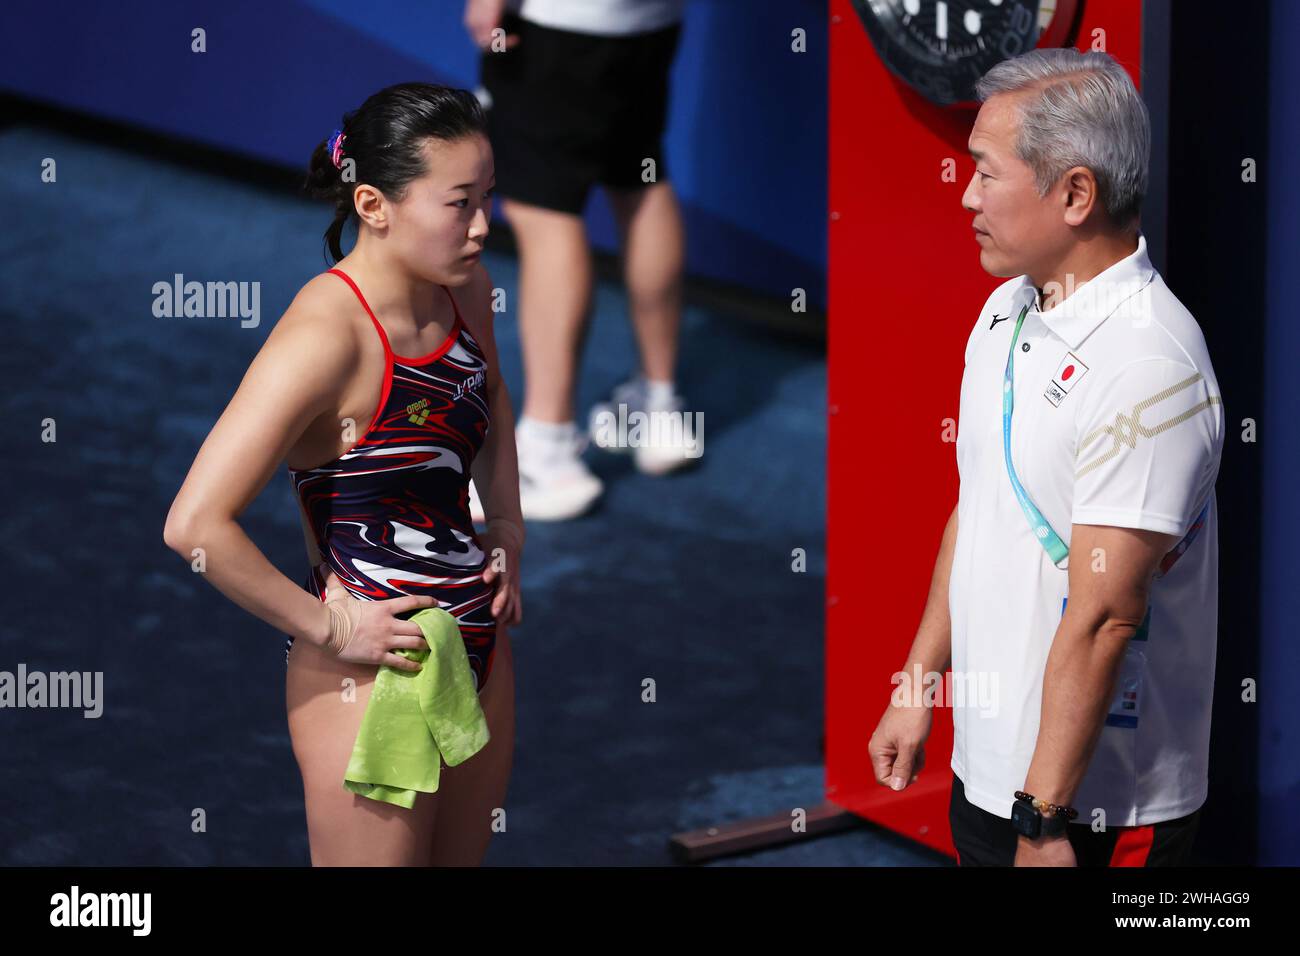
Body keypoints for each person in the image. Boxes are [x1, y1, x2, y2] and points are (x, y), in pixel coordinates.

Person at [868, 49, 1225, 867]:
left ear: (1074, 194)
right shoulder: (1007, 311)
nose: (966, 195)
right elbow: (983, 506)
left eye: (988, 173)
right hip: (992, 779)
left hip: (1094, 811)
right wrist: (918, 686)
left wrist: (1044, 821)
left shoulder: (1149, 368)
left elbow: (1104, 617)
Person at [163, 83, 524, 866]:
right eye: (459, 204)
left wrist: (507, 526)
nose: (483, 226)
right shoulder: (325, 338)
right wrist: (329, 626)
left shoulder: (468, 290)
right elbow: (194, 525)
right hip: (368, 682)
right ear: (373, 203)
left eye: (488, 197)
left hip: (480, 654)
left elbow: (488, 395)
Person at [463, 0, 693, 521]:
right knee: (641, 182)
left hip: (559, 26)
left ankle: (548, 449)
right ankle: (660, 408)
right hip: (651, 22)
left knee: (545, 214)